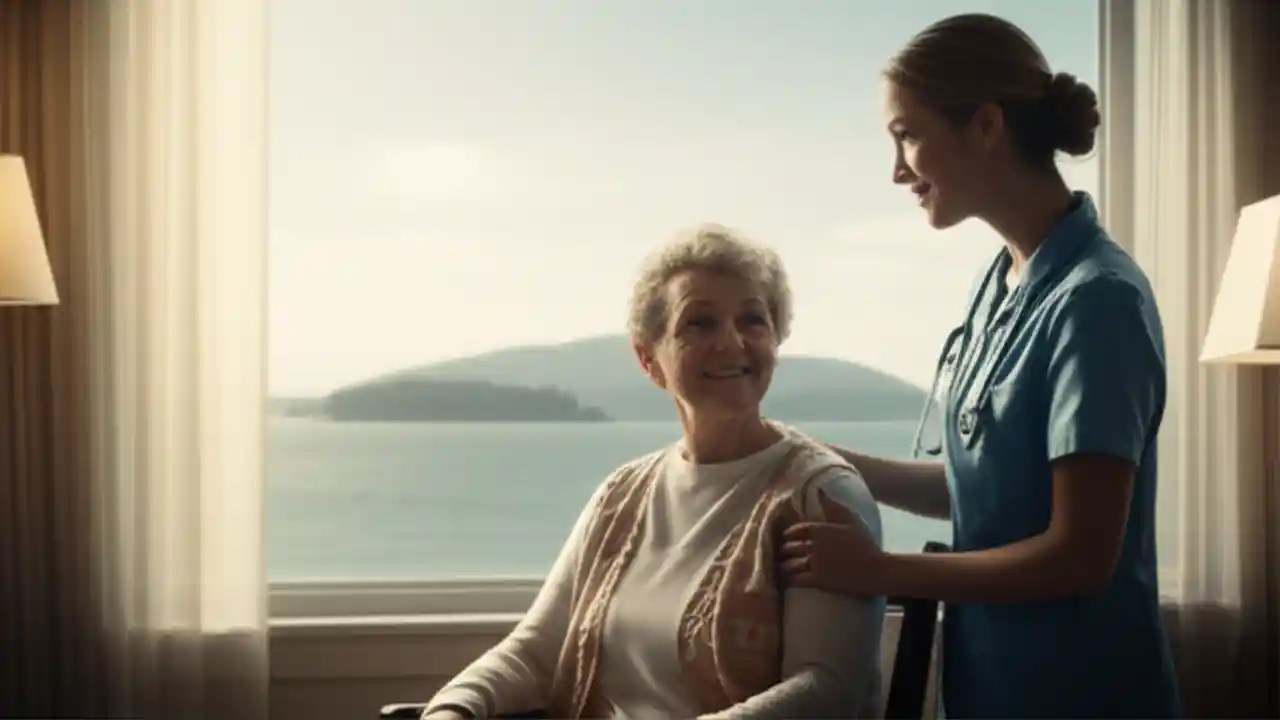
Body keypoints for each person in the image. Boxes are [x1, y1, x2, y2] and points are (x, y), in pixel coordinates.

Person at [779, 13, 1181, 719]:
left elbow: (1078, 555)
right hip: (991, 690)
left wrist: (879, 571)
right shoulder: (1001, 282)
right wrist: (803, 455)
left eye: (908, 135)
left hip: (1082, 697)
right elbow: (986, 495)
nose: (897, 169)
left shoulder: (1098, 303)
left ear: (986, 125)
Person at [421, 225, 885, 720]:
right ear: (649, 360)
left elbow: (827, 690)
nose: (732, 343)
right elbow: (537, 649)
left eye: (753, 320)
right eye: (700, 323)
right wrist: (454, 708)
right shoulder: (622, 493)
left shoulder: (820, 495)